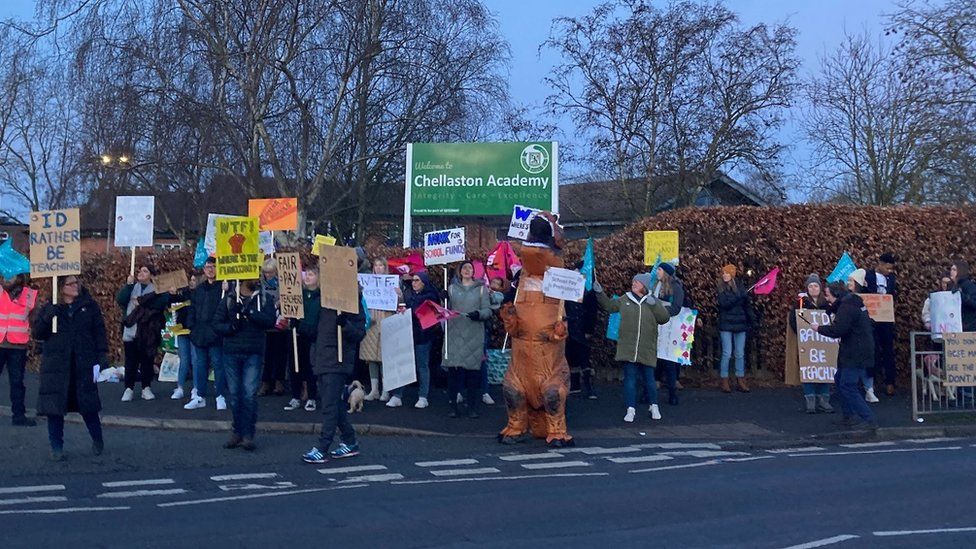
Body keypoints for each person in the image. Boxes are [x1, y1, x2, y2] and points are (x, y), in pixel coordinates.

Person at [498, 213, 574, 448]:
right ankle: (517, 424)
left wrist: (559, 331)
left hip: (547, 360)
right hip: (521, 361)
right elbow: (513, 329)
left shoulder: (559, 283)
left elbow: (560, 328)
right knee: (512, 389)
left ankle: (557, 430)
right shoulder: (522, 281)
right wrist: (509, 318)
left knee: (553, 392)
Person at [33, 275, 107, 461]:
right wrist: (50, 314)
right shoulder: (51, 307)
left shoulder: (88, 306)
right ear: (61, 287)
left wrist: (101, 356)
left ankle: (97, 439)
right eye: (71, 283)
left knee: (88, 406)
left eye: (77, 282)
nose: (76, 286)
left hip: (82, 363)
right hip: (57, 366)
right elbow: (38, 333)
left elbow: (99, 331)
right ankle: (56, 446)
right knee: (55, 408)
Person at [594, 273, 670, 423]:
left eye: (637, 282)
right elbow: (610, 306)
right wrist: (599, 292)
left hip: (647, 348)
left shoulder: (652, 301)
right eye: (633, 281)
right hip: (628, 348)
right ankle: (630, 409)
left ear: (645, 286)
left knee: (649, 379)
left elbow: (664, 318)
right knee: (629, 380)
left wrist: (655, 305)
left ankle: (654, 406)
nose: (634, 283)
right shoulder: (624, 299)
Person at [302, 294, 367, 464]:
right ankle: (350, 441)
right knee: (333, 404)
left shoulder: (352, 301)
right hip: (321, 358)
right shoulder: (320, 300)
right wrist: (298, 324)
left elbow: (360, 333)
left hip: (338, 360)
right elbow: (311, 331)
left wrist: (345, 325)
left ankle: (323, 447)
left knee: (329, 406)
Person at [213, 279, 276, 451]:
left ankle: (248, 434)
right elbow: (217, 323)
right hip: (231, 352)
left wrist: (250, 313)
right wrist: (231, 328)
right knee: (235, 395)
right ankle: (237, 432)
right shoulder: (229, 299)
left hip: (253, 352)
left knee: (248, 394)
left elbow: (270, 321)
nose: (255, 279)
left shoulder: (264, 299)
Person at [812, 281, 877, 430]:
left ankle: (867, 419)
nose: (826, 298)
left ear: (836, 294)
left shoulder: (846, 307)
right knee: (840, 379)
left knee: (847, 385)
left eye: (827, 295)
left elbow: (838, 330)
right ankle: (850, 416)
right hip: (857, 349)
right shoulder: (851, 303)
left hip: (855, 352)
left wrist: (818, 328)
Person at [443, 261, 492, 418]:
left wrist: (479, 314)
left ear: (473, 272)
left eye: (469, 268)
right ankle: (452, 406)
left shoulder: (481, 290)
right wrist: (442, 299)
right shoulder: (451, 289)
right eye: (464, 267)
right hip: (454, 333)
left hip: (473, 334)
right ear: (460, 271)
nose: (466, 270)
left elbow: (488, 310)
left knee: (472, 374)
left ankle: (472, 406)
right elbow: (444, 310)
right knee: (453, 373)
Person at [387, 271, 439, 409]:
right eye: (413, 280)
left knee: (422, 366)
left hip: (423, 335)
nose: (414, 283)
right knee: (403, 364)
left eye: (417, 280)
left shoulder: (430, 296)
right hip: (408, 333)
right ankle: (397, 395)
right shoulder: (408, 294)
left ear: (424, 282)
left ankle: (423, 396)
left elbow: (421, 312)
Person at [116, 264, 169, 402]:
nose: (141, 273)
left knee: (147, 360)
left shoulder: (157, 288)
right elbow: (121, 299)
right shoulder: (132, 287)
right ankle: (129, 388)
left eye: (145, 271)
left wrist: (141, 302)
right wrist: (128, 286)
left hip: (148, 330)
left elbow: (161, 302)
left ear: (151, 275)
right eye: (140, 271)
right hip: (132, 329)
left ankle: (146, 387)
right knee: (131, 361)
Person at [184, 257, 227, 411]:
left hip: (215, 333)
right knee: (200, 365)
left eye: (213, 266)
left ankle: (220, 395)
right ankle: (200, 395)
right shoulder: (199, 289)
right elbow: (193, 309)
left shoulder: (223, 289)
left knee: (218, 365)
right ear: (204, 270)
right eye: (208, 266)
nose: (210, 269)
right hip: (199, 333)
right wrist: (191, 327)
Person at [790, 274, 834, 414]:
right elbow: (794, 319)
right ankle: (810, 401)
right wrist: (801, 332)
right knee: (808, 369)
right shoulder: (801, 302)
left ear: (820, 288)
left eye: (815, 286)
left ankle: (824, 400)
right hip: (808, 342)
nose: (813, 288)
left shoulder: (826, 303)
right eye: (810, 286)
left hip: (824, 340)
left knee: (824, 369)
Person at [0, 273, 38, 426]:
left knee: (17, 382)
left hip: (17, 345)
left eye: (11, 276)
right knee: (17, 382)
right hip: (1, 342)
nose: (6, 279)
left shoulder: (29, 294)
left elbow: (35, 319)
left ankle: (19, 415)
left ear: (20, 278)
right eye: (5, 275)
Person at [286, 268, 321, 412]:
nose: (307, 277)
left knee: (310, 368)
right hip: (297, 334)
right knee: (295, 366)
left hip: (313, 336)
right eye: (306, 274)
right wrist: (293, 321)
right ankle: (295, 396)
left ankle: (312, 397)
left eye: (311, 274)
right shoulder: (298, 293)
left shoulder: (320, 296)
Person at [361, 258, 394, 402]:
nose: (378, 268)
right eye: (376, 265)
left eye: (381, 265)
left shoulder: (392, 282)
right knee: (371, 357)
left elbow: (398, 302)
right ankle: (374, 389)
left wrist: (398, 294)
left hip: (385, 321)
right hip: (371, 322)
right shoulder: (367, 282)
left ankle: (386, 390)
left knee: (384, 357)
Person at [865, 252, 898, 396]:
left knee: (888, 350)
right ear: (880, 264)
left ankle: (890, 381)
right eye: (888, 268)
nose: (889, 271)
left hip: (886, 319)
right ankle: (872, 382)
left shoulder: (891, 279)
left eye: (891, 269)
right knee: (873, 350)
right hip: (871, 319)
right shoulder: (868, 276)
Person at [717, 264, 752, 393]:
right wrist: (739, 296)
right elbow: (724, 303)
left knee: (739, 353)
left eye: (727, 273)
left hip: (740, 323)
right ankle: (724, 379)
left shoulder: (740, 288)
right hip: (726, 324)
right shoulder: (721, 288)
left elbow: (746, 306)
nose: (724, 275)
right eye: (723, 273)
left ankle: (740, 378)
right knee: (727, 353)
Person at [565, 264, 598, 400]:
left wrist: (588, 329)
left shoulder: (589, 291)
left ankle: (589, 387)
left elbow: (592, 312)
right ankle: (575, 385)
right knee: (571, 357)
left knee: (584, 359)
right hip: (571, 327)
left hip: (581, 328)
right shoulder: (568, 288)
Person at [654, 262, 684, 405]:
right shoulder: (657, 286)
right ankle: (649, 392)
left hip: (670, 327)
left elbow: (677, 307)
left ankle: (672, 393)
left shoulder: (676, 287)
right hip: (657, 325)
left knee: (669, 360)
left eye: (659, 269)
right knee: (655, 359)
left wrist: (661, 311)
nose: (657, 272)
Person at [258, 259, 288, 397]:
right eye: (266, 272)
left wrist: (282, 301)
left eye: (270, 272)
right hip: (265, 320)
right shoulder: (260, 282)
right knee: (266, 354)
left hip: (279, 320)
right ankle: (265, 382)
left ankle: (278, 381)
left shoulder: (282, 282)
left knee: (279, 353)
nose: (268, 275)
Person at [847, 269, 877, 402]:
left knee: (866, 363)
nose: (848, 283)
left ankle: (869, 390)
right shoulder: (846, 298)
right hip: (852, 335)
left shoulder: (868, 297)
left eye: (851, 281)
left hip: (865, 335)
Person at [170, 273, 199, 401]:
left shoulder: (200, 294)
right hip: (182, 329)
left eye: (194, 280)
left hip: (194, 330)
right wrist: (173, 294)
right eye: (190, 280)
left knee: (195, 359)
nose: (191, 282)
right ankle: (180, 387)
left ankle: (196, 388)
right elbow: (171, 302)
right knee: (184, 359)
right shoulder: (183, 293)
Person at [950, 261, 976, 331]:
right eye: (951, 269)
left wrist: (960, 295)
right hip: (958, 326)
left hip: (969, 327)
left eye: (954, 270)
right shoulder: (953, 286)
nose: (951, 271)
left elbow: (974, 303)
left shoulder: (969, 285)